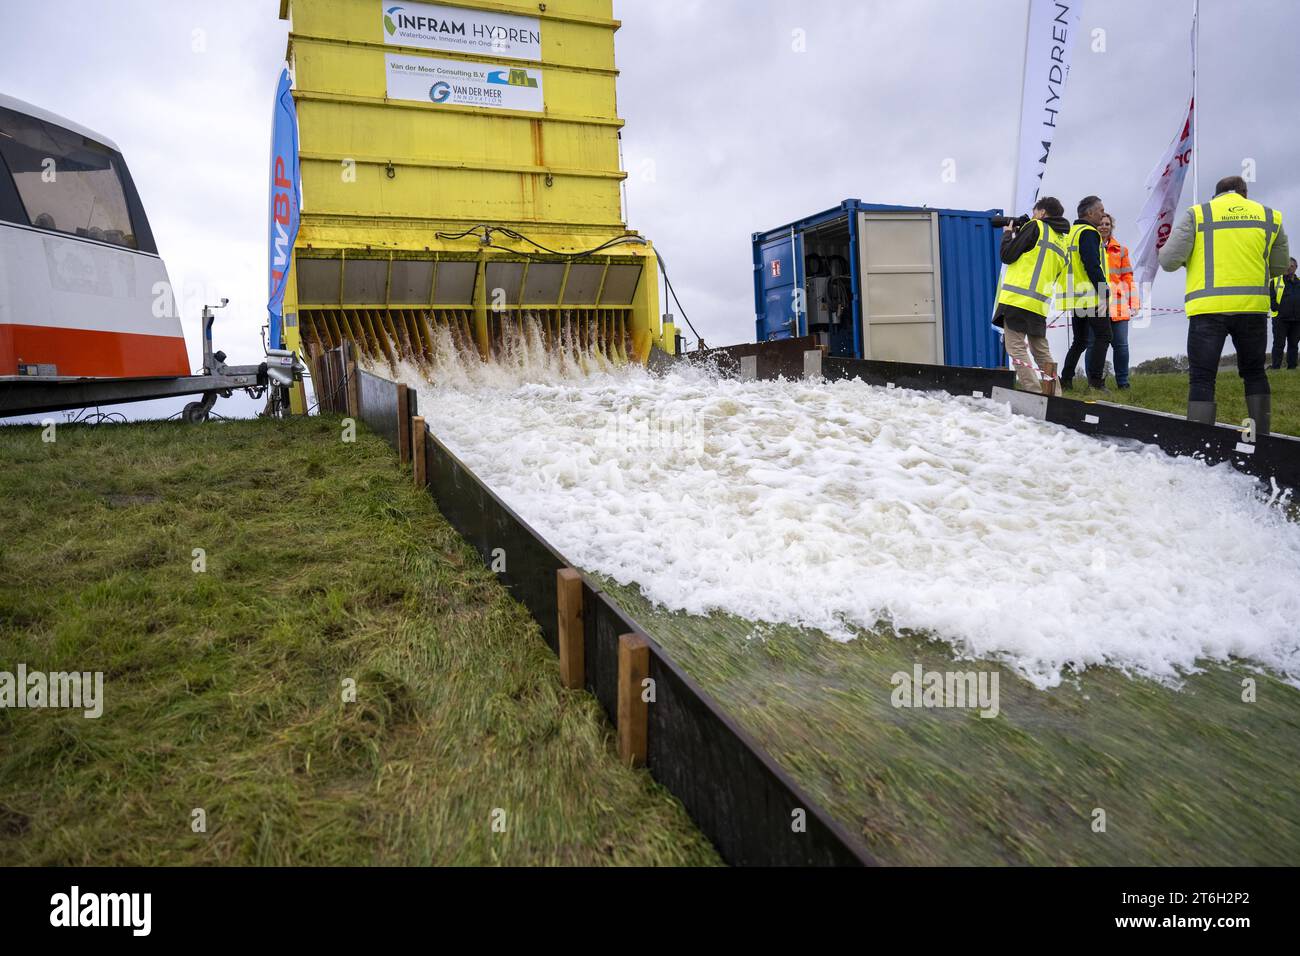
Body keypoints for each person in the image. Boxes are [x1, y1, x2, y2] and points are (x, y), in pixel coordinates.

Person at [1160, 175, 1289, 433]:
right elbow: (1279, 266)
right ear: (1244, 193)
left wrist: (1191, 260)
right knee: (1254, 373)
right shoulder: (1270, 216)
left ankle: (1199, 440)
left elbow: (1168, 261)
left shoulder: (1198, 214)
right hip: (1251, 307)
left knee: (1202, 377)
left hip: (1207, 309)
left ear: (1216, 194)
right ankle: (1261, 436)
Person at [992, 197, 1071, 393]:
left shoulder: (1036, 226)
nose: (1033, 216)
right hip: (1039, 305)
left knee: (1016, 349)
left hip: (1017, 299)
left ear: (1042, 213)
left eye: (1036, 212)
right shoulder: (1062, 241)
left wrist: (1009, 234)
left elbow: (1007, 255)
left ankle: (1034, 394)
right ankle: (1055, 395)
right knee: (1041, 352)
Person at [1057, 196, 1111, 391]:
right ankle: (1096, 383)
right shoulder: (1089, 232)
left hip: (1074, 296)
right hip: (1090, 296)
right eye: (1100, 211)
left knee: (1080, 341)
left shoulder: (1071, 233)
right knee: (1104, 336)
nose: (1103, 214)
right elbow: (1092, 265)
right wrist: (1105, 291)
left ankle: (1066, 380)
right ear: (1089, 213)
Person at [1097, 213, 1139, 389]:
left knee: (1121, 346)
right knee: (1096, 345)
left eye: (1107, 224)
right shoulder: (1090, 247)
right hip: (1096, 304)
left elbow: (1128, 277)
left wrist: (1134, 303)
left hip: (1119, 305)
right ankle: (1095, 381)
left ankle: (1123, 382)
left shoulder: (1121, 250)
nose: (1104, 226)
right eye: (1101, 224)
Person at [1271, 257, 1299, 370]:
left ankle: (1292, 367)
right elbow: (1271, 297)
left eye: (1292, 266)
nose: (1289, 268)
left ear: (1296, 267)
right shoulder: (1276, 281)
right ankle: (1275, 367)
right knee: (1279, 344)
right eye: (1287, 266)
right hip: (1280, 319)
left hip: (1297, 320)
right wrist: (1276, 308)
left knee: (1293, 345)